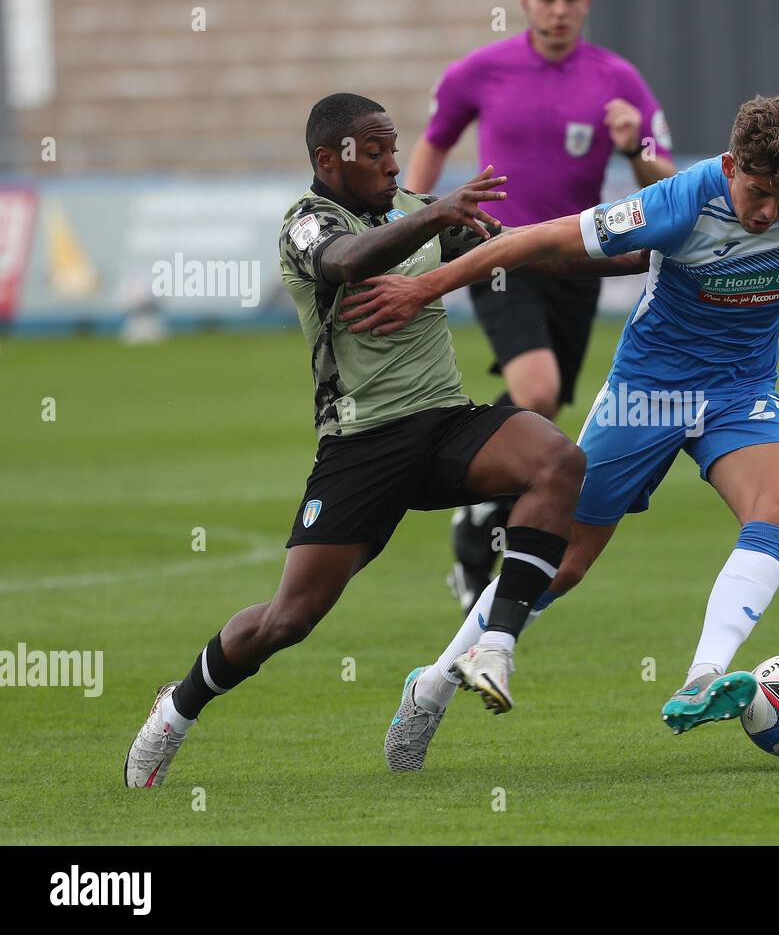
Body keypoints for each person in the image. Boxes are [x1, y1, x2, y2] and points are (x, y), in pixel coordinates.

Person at [343, 97, 779, 761]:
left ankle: (705, 675)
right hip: (647, 396)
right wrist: (424, 287)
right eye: (756, 192)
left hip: (740, 393)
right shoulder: (681, 200)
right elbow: (538, 240)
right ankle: (431, 686)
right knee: (565, 561)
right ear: (730, 165)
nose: (768, 213)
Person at [123, 93, 647, 786]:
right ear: (326, 159)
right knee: (289, 618)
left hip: (444, 423)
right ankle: (178, 707)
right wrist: (435, 211)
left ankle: (491, 647)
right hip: (361, 445)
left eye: (393, 147)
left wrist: (643, 252)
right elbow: (345, 261)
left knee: (557, 460)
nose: (392, 164)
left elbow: (529, 252)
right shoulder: (307, 225)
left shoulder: (416, 209)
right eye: (374, 153)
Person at [403, 0, 676, 614]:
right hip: (501, 250)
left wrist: (635, 146)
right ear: (525, 2)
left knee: (546, 411)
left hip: (578, 261)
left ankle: (477, 517)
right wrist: (410, 218)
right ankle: (472, 491)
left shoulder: (618, 79)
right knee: (538, 391)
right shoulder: (481, 70)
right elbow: (435, 140)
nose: (558, 10)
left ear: (587, 4)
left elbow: (664, 184)